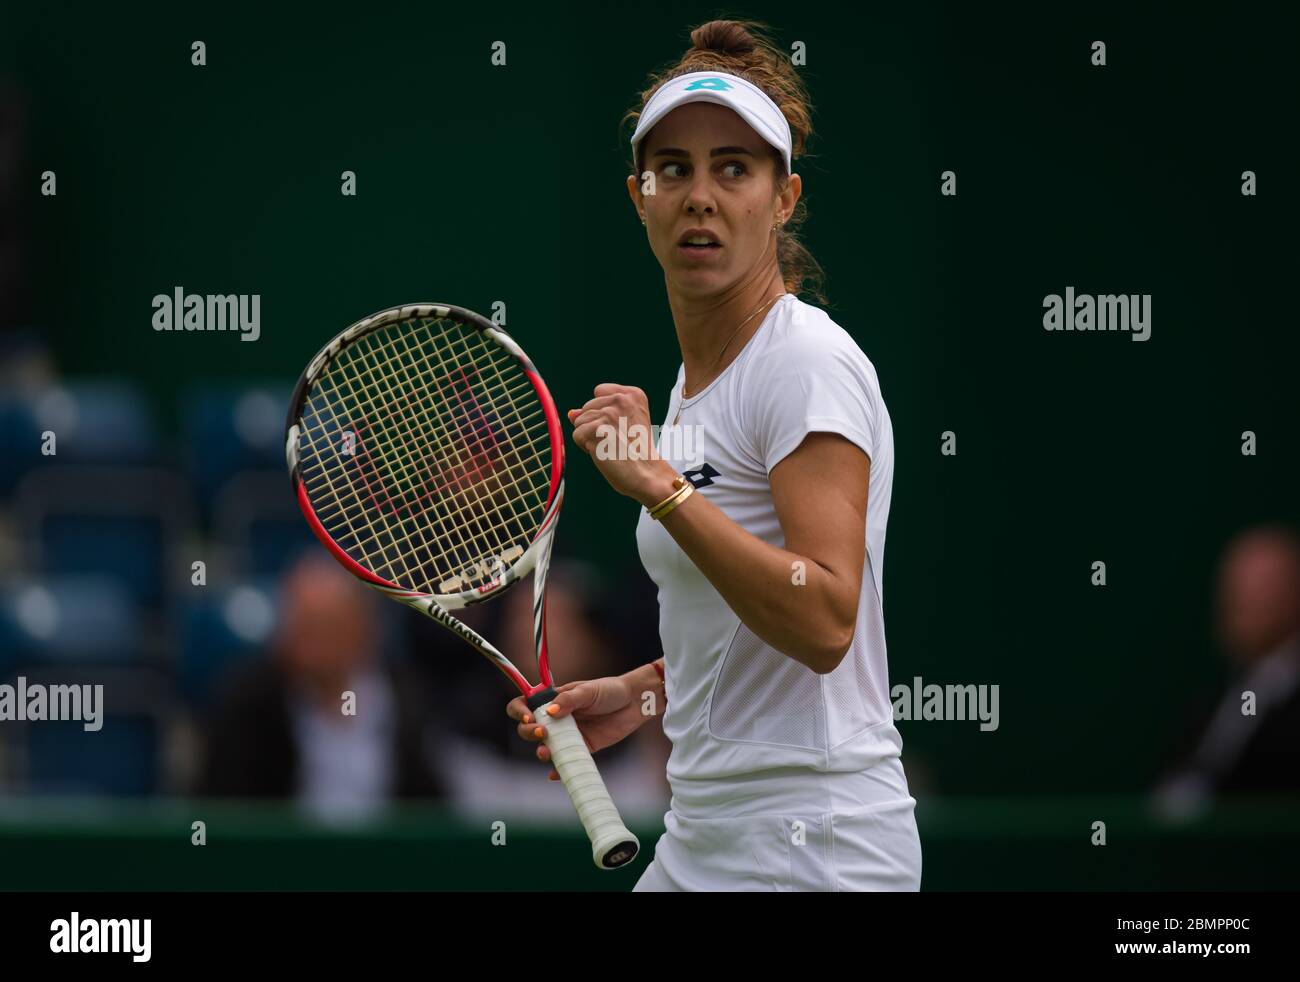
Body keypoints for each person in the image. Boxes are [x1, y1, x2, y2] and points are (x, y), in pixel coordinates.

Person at [507, 19, 921, 891]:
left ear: (784, 197)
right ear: (639, 197)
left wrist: (658, 484)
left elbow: (823, 622)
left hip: (817, 850)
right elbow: (744, 637)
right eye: (675, 170)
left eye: (734, 168)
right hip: (706, 837)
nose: (701, 195)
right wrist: (642, 692)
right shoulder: (700, 385)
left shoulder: (804, 364)